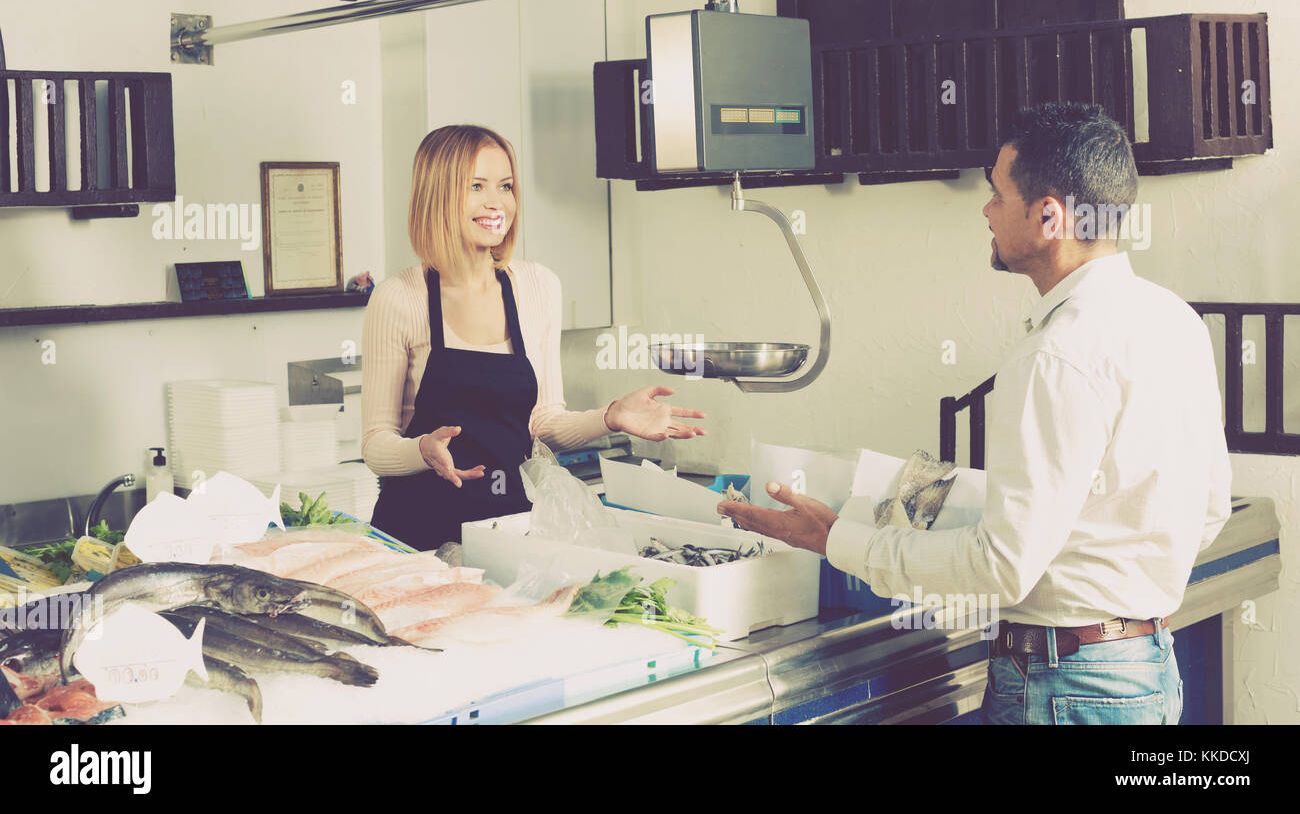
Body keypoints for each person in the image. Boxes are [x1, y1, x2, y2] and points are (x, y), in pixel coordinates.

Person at [718, 102, 1232, 725]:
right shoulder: (1173, 319)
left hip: (1065, 684)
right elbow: (1208, 511)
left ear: (1049, 216)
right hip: (1143, 668)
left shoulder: (1054, 355)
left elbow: (1002, 567)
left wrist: (838, 540)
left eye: (996, 193)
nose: (985, 211)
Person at [363, 124, 706, 550]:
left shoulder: (537, 286)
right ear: (437, 194)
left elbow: (542, 422)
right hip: (417, 538)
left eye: (505, 186)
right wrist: (420, 451)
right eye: (476, 186)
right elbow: (375, 443)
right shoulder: (399, 298)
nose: (497, 202)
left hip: (510, 530)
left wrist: (611, 417)